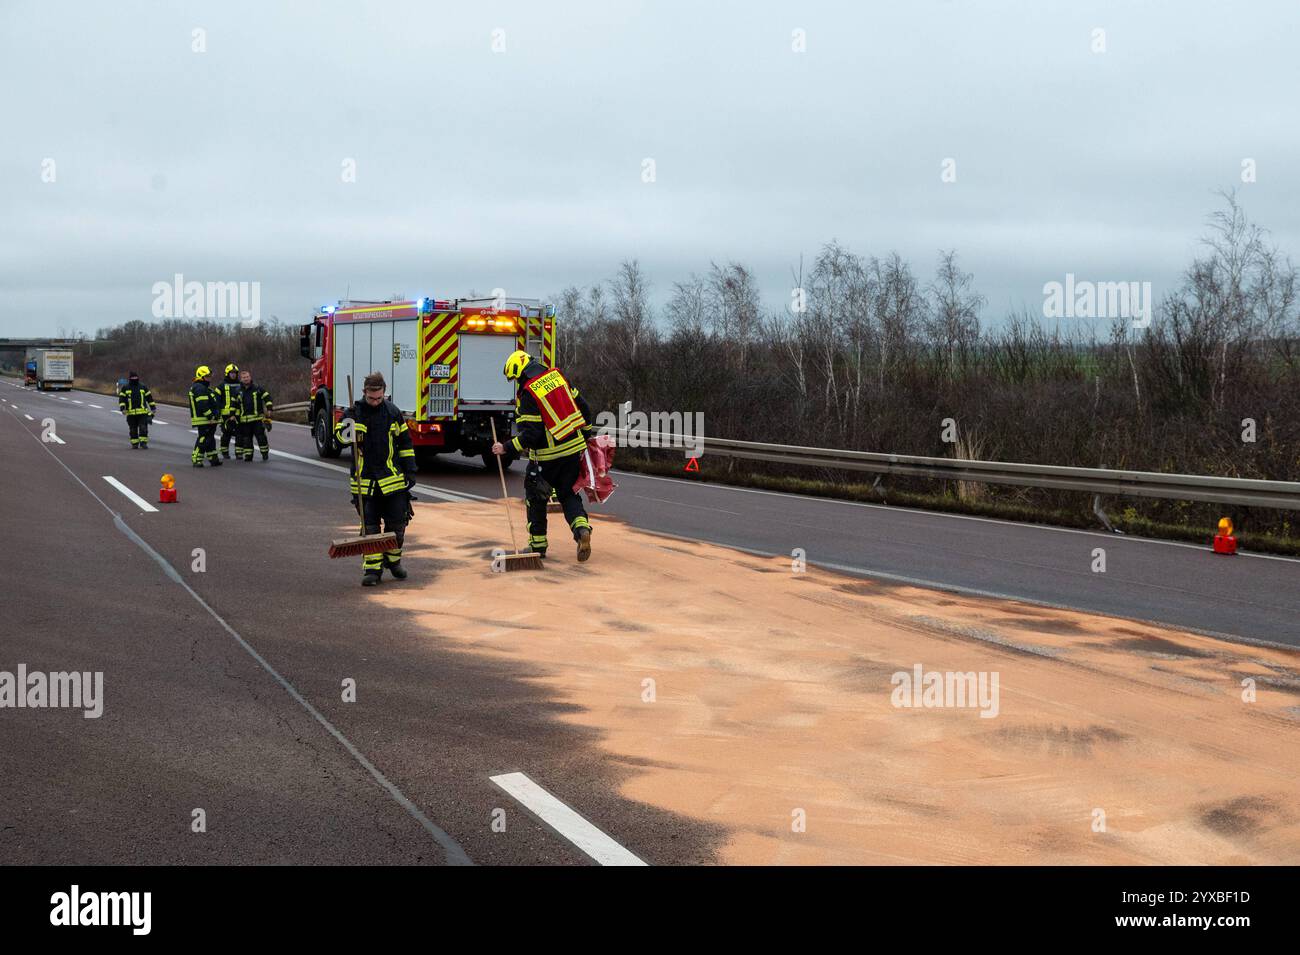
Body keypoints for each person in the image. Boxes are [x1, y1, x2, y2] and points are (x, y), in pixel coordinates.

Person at [491, 350, 593, 562]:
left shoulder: (528, 393)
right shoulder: (557, 377)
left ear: (520, 373)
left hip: (547, 457)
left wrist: (506, 448)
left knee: (536, 498)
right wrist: (586, 434)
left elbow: (532, 434)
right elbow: (584, 407)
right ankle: (582, 529)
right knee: (568, 494)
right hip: (573, 451)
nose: (516, 382)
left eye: (515, 378)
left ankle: (538, 546)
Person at [334, 372, 418, 586]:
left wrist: (410, 471)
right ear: (364, 393)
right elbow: (339, 440)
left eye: (379, 398)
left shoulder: (393, 412)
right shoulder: (354, 413)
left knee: (397, 525)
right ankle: (373, 570)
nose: (375, 402)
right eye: (371, 398)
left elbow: (405, 443)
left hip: (392, 479)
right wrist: (349, 428)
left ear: (384, 393)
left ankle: (394, 562)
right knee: (370, 528)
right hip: (365, 481)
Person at [234, 369, 273, 461]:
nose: (246, 379)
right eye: (244, 377)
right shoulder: (238, 390)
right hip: (244, 421)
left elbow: (267, 397)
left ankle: (264, 453)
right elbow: (234, 404)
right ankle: (248, 455)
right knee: (247, 439)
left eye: (247, 377)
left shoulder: (257, 388)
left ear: (250, 377)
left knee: (261, 437)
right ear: (241, 379)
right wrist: (233, 416)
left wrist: (269, 409)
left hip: (257, 419)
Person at [188, 365, 222, 467]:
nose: (209, 378)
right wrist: (211, 416)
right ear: (201, 376)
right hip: (204, 419)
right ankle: (197, 458)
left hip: (207, 419)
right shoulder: (199, 388)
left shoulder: (203, 387)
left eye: (210, 376)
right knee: (204, 438)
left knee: (210, 438)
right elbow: (203, 405)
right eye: (207, 376)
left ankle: (213, 458)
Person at [117, 371, 156, 449]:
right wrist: (122, 409)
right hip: (131, 413)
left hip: (143, 413)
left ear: (138, 378)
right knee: (133, 430)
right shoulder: (125, 388)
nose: (134, 379)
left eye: (136, 377)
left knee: (143, 428)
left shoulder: (143, 387)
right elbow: (122, 399)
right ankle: (134, 443)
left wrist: (153, 407)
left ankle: (143, 443)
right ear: (130, 378)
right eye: (133, 378)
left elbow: (149, 398)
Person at [217, 363, 242, 459]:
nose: (233, 375)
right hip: (226, 415)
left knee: (240, 434)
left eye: (235, 373)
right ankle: (225, 452)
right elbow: (216, 400)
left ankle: (239, 453)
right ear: (227, 374)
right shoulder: (221, 386)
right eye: (231, 373)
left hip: (238, 414)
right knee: (226, 434)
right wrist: (218, 413)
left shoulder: (241, 385)